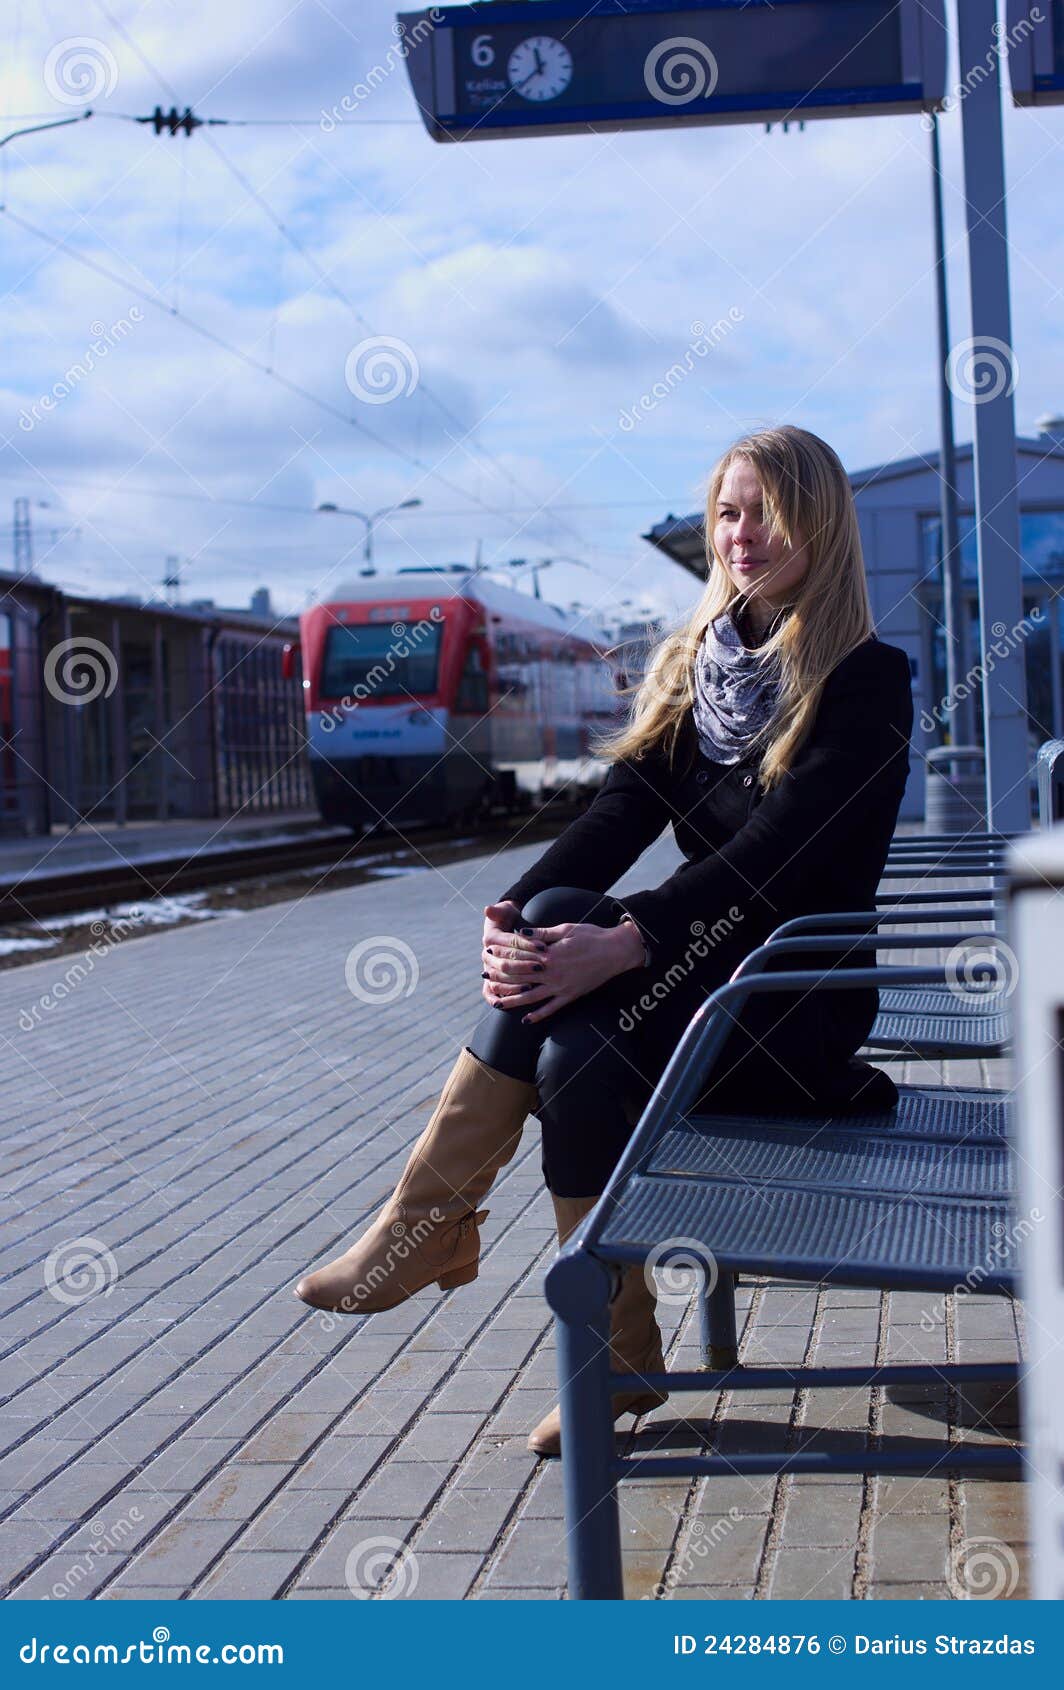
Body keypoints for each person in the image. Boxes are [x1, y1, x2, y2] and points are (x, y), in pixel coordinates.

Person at [293, 423, 914, 1458]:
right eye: (726, 512)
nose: (740, 535)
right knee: (562, 974)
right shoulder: (695, 668)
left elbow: (777, 856)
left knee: (576, 1022)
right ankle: (588, 1338)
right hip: (691, 982)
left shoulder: (865, 680)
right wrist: (510, 909)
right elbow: (620, 812)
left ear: (819, 524)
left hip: (790, 998)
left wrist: (630, 941)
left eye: (765, 513)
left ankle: (452, 1242)